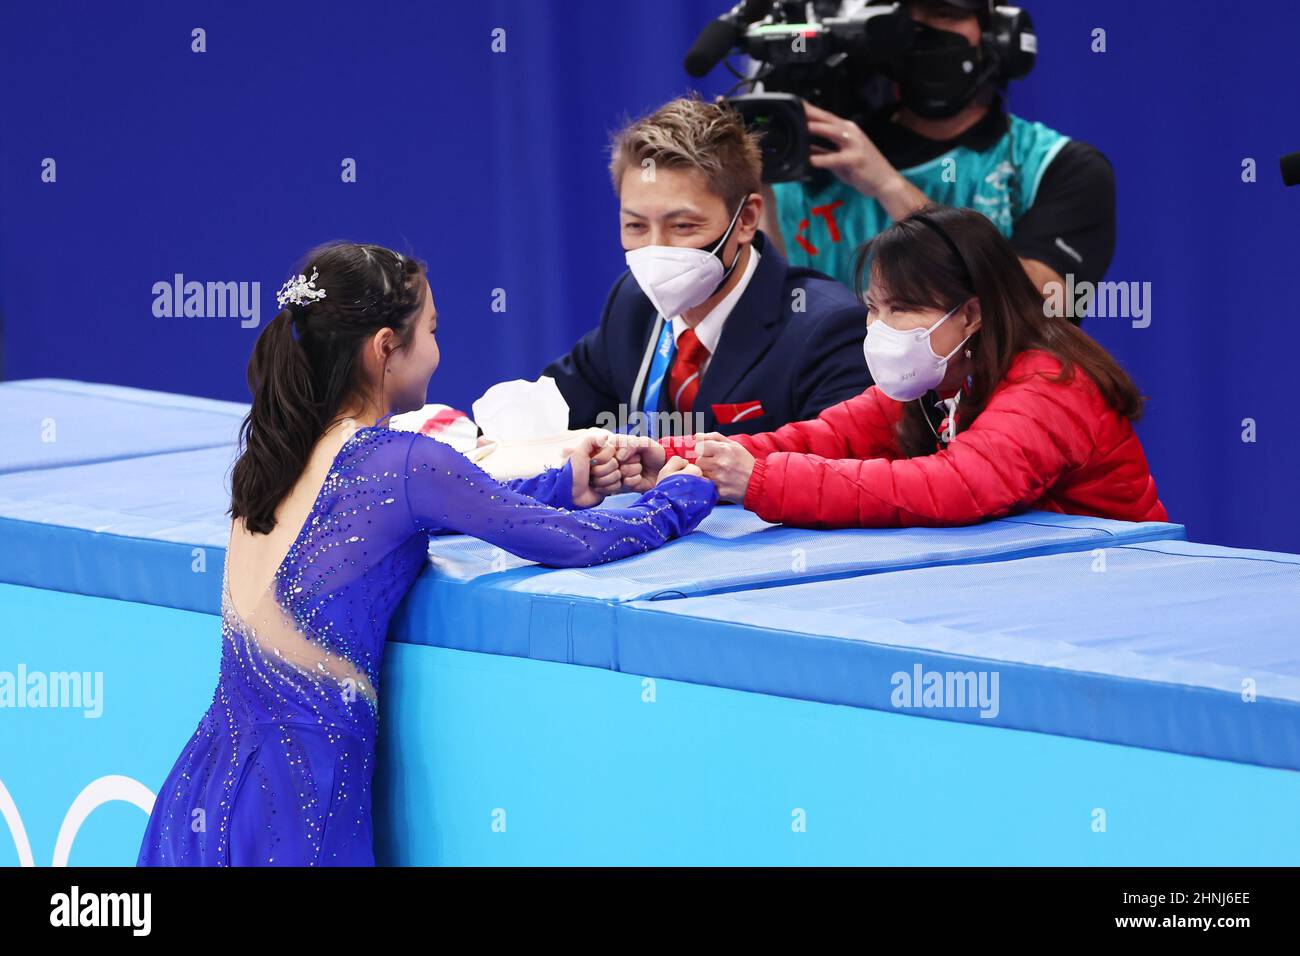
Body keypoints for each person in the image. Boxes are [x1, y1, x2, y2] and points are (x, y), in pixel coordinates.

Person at [136, 242, 715, 866]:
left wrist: (563, 485)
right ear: (385, 347)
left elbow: (402, 518)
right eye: (432, 332)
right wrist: (685, 488)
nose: (439, 352)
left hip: (202, 788)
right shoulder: (401, 462)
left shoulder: (273, 456)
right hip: (300, 807)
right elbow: (578, 544)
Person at [612, 205, 1167, 528]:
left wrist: (758, 481)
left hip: (1126, 597)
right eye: (875, 307)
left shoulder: (1049, 384)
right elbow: (824, 438)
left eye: (902, 308)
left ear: (970, 313)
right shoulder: (939, 378)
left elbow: (955, 486)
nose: (879, 327)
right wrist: (673, 456)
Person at [761, 0, 1116, 322]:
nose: (921, 33)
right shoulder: (810, 162)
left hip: (992, 393)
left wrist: (890, 188)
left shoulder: (1058, 167)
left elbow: (1044, 306)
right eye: (901, 19)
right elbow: (767, 313)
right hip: (832, 390)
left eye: (944, 13)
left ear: (999, 33)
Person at [542, 94, 871, 440]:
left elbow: (834, 475)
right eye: (636, 226)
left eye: (683, 226)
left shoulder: (827, 329)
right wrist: (488, 442)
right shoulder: (633, 304)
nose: (656, 247)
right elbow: (553, 407)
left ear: (746, 219)